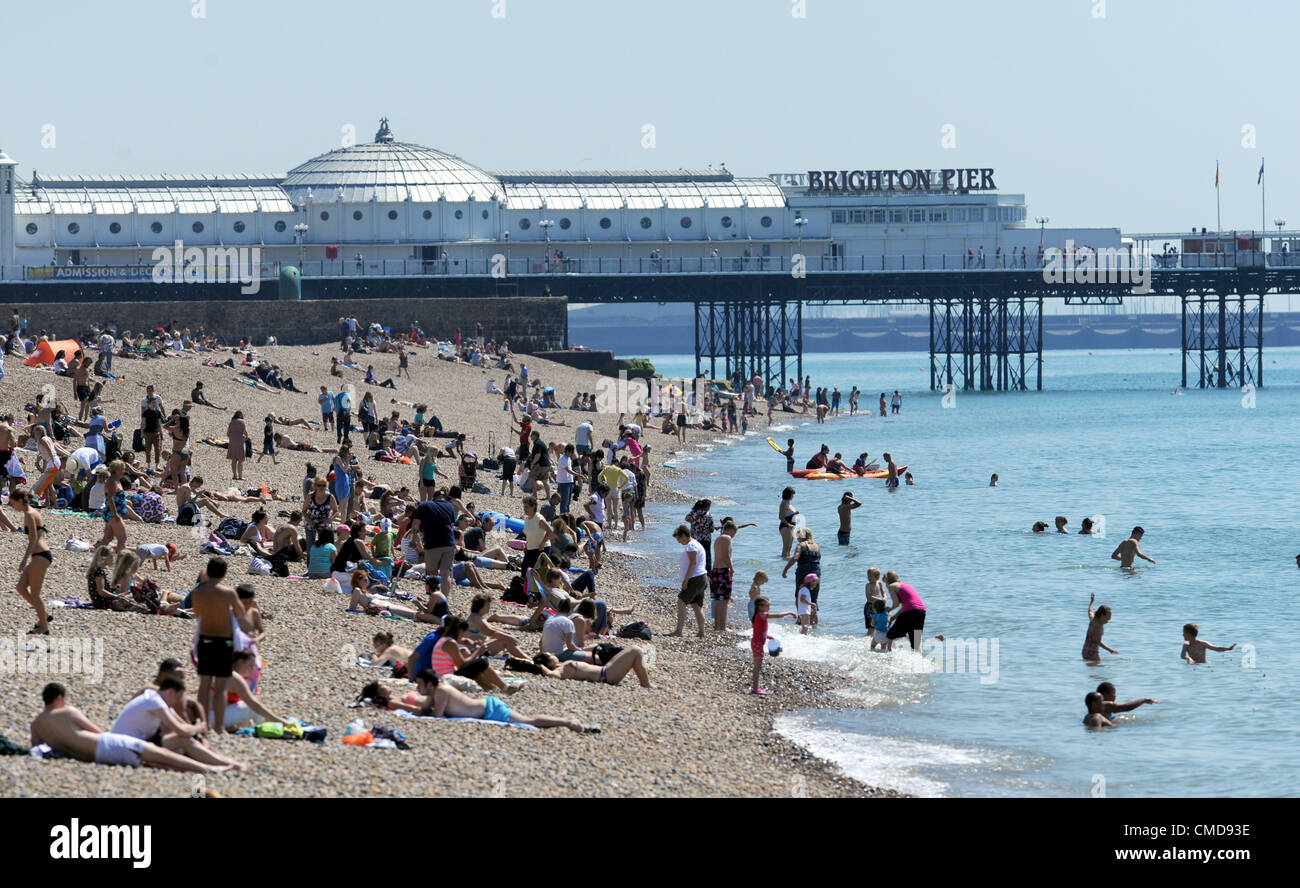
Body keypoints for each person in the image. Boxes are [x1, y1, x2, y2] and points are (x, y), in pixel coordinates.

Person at [30, 683, 230, 773]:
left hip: (91, 756)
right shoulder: (66, 712)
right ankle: (211, 769)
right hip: (108, 745)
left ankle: (211, 768)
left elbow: (37, 748)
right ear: (59, 699)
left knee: (158, 758)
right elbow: (97, 732)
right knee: (162, 755)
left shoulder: (37, 724)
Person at [111, 678, 248, 771]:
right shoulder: (154, 701)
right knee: (182, 740)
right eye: (177, 697)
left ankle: (222, 761)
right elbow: (182, 731)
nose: (177, 702)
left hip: (138, 741)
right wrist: (198, 727)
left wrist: (197, 731)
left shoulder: (158, 698)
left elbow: (181, 724)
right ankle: (225, 765)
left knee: (179, 740)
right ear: (171, 692)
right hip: (125, 746)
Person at [190, 557, 255, 732]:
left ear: (208, 572)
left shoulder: (199, 592)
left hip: (205, 639)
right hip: (223, 642)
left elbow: (196, 613)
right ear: (224, 575)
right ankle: (218, 727)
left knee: (204, 685)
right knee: (220, 688)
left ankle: (203, 724)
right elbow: (240, 614)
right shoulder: (229, 593)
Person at [420, 670, 589, 732]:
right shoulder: (435, 692)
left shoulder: (441, 690)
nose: (416, 688)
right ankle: (566, 722)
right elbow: (423, 711)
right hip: (487, 707)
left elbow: (436, 715)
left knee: (528, 721)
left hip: (490, 709)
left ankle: (567, 722)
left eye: (419, 684)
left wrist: (425, 706)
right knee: (527, 719)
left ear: (429, 684)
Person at [410, 493, 469, 600]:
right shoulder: (450, 507)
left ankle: (432, 598)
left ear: (434, 497)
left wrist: (414, 539)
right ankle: (443, 600)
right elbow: (451, 526)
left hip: (433, 543)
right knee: (445, 574)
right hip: (449, 543)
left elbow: (415, 524)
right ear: (444, 498)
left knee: (432, 573)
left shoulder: (424, 505)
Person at [10, 488, 53, 634]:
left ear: (20, 501)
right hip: (41, 555)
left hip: (40, 556)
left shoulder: (28, 515)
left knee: (35, 593)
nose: (13, 506)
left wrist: (23, 560)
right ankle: (44, 615)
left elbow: (33, 539)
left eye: (13, 503)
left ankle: (43, 626)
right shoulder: (33, 511)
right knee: (21, 588)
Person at [709, 517, 753, 631]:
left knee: (718, 600)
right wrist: (731, 568)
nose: (734, 535)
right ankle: (722, 627)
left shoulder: (718, 538)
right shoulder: (727, 538)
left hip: (715, 571)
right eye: (735, 533)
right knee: (724, 601)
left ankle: (717, 626)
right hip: (723, 571)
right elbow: (725, 556)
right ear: (732, 530)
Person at [531, 648, 656, 688]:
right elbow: (552, 676)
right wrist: (539, 666)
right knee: (636, 651)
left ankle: (645, 681)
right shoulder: (560, 670)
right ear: (548, 663)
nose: (553, 655)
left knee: (633, 650)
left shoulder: (562, 665)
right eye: (550, 656)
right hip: (607, 675)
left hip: (606, 670)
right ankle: (645, 684)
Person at [749, 596, 796, 695]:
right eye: (768, 605)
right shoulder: (762, 614)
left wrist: (769, 637)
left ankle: (756, 687)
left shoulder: (758, 615)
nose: (769, 607)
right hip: (757, 644)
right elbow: (778, 616)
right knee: (757, 667)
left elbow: (759, 631)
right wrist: (789, 612)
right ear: (760, 606)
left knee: (757, 666)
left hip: (756, 643)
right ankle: (755, 688)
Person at [669, 524, 708, 638]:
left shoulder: (691, 546)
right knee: (696, 605)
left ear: (684, 535)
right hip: (702, 578)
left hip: (695, 578)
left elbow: (693, 563)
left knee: (681, 601)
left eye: (679, 539)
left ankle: (678, 631)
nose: (679, 542)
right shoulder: (696, 544)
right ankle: (701, 632)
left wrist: (686, 580)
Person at [782, 528, 822, 624]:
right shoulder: (817, 546)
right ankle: (814, 621)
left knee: (799, 595)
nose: (797, 538)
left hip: (804, 573)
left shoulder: (801, 545)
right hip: (816, 573)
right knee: (813, 598)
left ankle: (801, 618)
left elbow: (795, 557)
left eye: (798, 535)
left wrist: (785, 569)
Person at [884, 569, 926, 650]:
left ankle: (889, 654)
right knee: (916, 643)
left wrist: (889, 609)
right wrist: (893, 617)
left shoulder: (891, 586)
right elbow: (905, 607)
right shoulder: (905, 585)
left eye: (884, 582)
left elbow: (896, 604)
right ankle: (919, 660)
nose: (885, 585)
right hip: (921, 612)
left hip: (910, 613)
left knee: (890, 635)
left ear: (887, 580)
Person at [540, 597, 593, 662]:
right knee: (592, 656)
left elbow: (540, 642)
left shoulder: (549, 619)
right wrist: (580, 651)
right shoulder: (567, 622)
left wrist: (542, 654)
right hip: (560, 654)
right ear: (569, 610)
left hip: (546, 654)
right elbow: (570, 645)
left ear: (558, 608)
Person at [1082, 593, 1116, 663]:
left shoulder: (1093, 619)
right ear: (1102, 615)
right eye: (1108, 617)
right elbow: (1098, 642)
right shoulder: (1099, 627)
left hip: (1084, 651)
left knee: (1092, 672)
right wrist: (1110, 650)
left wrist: (1092, 601)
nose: (1109, 619)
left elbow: (1090, 611)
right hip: (1093, 653)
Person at [1095, 682, 1159, 717]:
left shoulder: (1100, 705)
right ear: (1105, 694)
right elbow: (1127, 707)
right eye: (1113, 693)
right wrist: (1144, 700)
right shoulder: (1105, 705)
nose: (1115, 696)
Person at [226, 411, 248, 481]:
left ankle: (234, 475)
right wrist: (247, 437)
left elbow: (228, 433)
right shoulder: (242, 421)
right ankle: (240, 476)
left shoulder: (232, 422)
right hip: (240, 441)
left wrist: (232, 437)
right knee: (240, 460)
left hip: (232, 441)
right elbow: (244, 431)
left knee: (234, 459)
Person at [778, 486, 799, 560]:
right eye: (792, 494)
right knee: (786, 547)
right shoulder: (784, 503)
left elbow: (788, 513)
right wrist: (789, 525)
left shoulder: (788, 503)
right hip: (786, 526)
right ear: (788, 494)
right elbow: (781, 517)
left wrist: (795, 513)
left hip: (792, 527)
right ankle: (783, 562)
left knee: (789, 546)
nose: (793, 496)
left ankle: (786, 560)